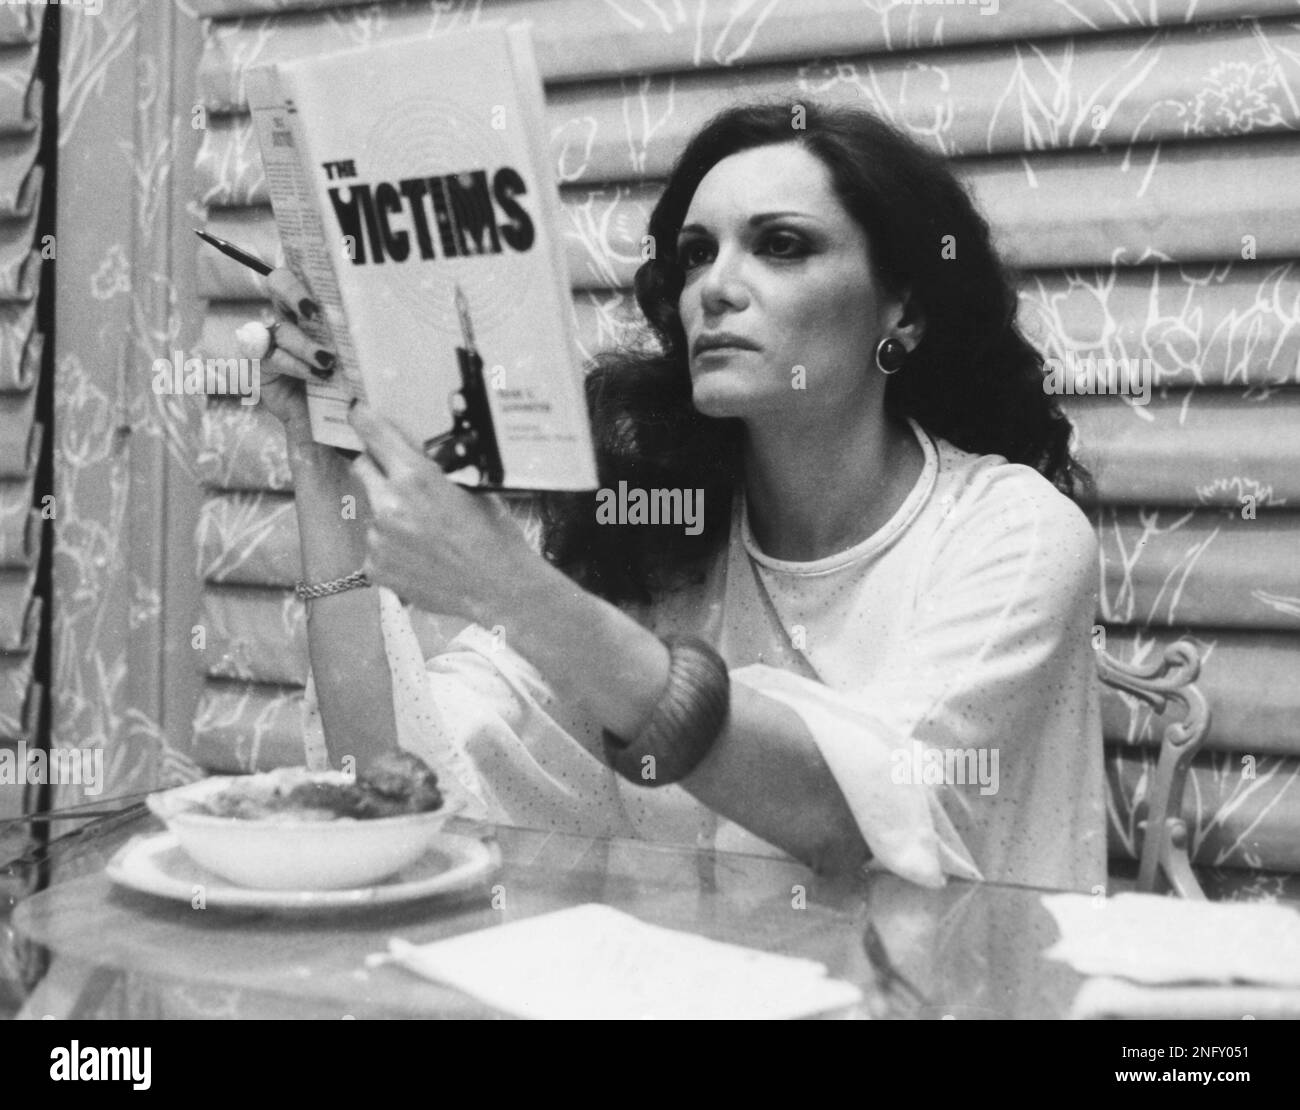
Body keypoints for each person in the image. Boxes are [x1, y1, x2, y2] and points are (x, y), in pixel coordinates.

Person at [247, 102, 1106, 892]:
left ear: (903, 312)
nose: (715, 288)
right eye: (697, 253)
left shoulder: (1014, 533)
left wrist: (513, 585)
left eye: (781, 245)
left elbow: (860, 819)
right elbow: (401, 779)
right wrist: (325, 464)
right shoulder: (656, 529)